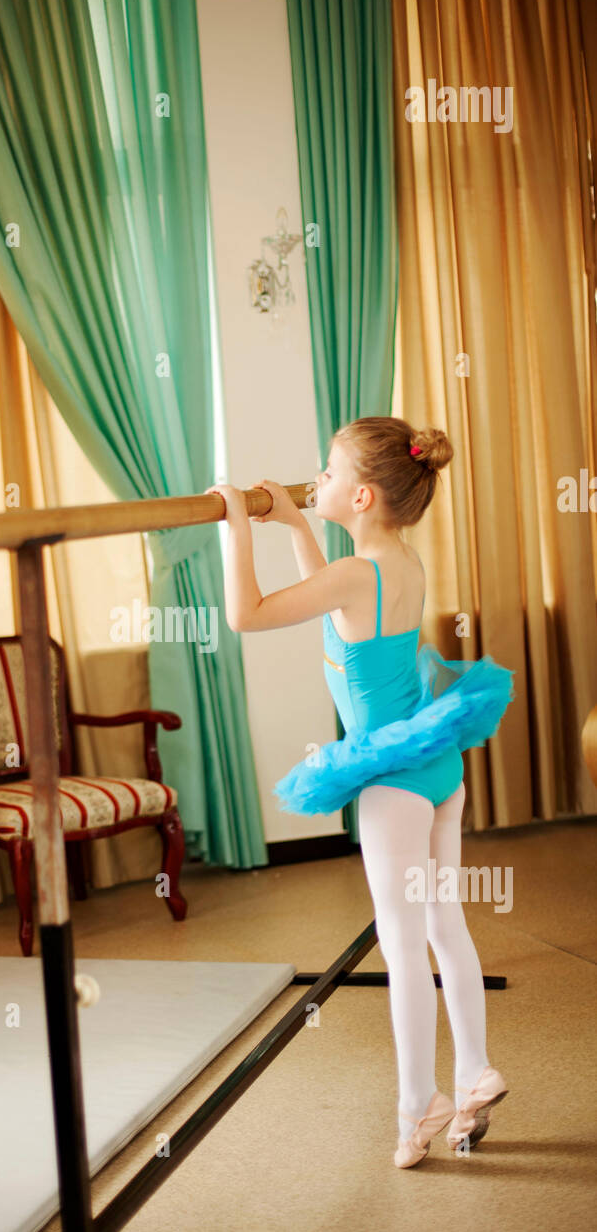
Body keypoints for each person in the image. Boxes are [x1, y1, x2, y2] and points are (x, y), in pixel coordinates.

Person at [205, 416, 514, 1168]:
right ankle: (474, 1070)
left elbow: (246, 615)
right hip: (436, 767)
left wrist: (235, 522)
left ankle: (420, 1105)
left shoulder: (355, 576)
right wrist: (289, 524)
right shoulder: (395, 561)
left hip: (390, 781)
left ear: (364, 494)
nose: (320, 480)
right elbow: (339, 599)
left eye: (331, 473)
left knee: (403, 944)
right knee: (444, 925)